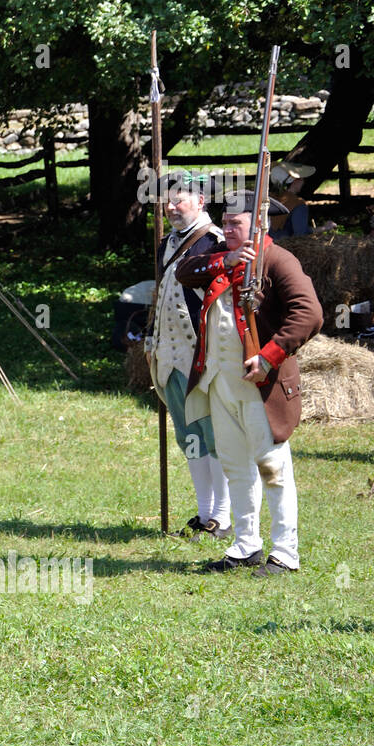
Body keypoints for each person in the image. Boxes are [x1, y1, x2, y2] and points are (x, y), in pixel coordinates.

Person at [176, 190, 323, 576]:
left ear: (257, 224)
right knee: (236, 467)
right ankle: (245, 545)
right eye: (224, 223)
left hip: (263, 385)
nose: (226, 229)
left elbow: (309, 314)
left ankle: (286, 553)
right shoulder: (224, 260)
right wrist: (226, 257)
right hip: (223, 384)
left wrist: (269, 355)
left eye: (234, 224)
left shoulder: (277, 260)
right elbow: (183, 272)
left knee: (272, 469)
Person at [145, 172, 234, 538]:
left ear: (200, 201)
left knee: (213, 432)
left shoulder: (215, 242)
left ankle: (223, 515)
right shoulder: (166, 243)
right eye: (166, 202)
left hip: (203, 355)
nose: (169, 208)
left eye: (177, 200)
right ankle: (203, 511)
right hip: (170, 355)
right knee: (188, 434)